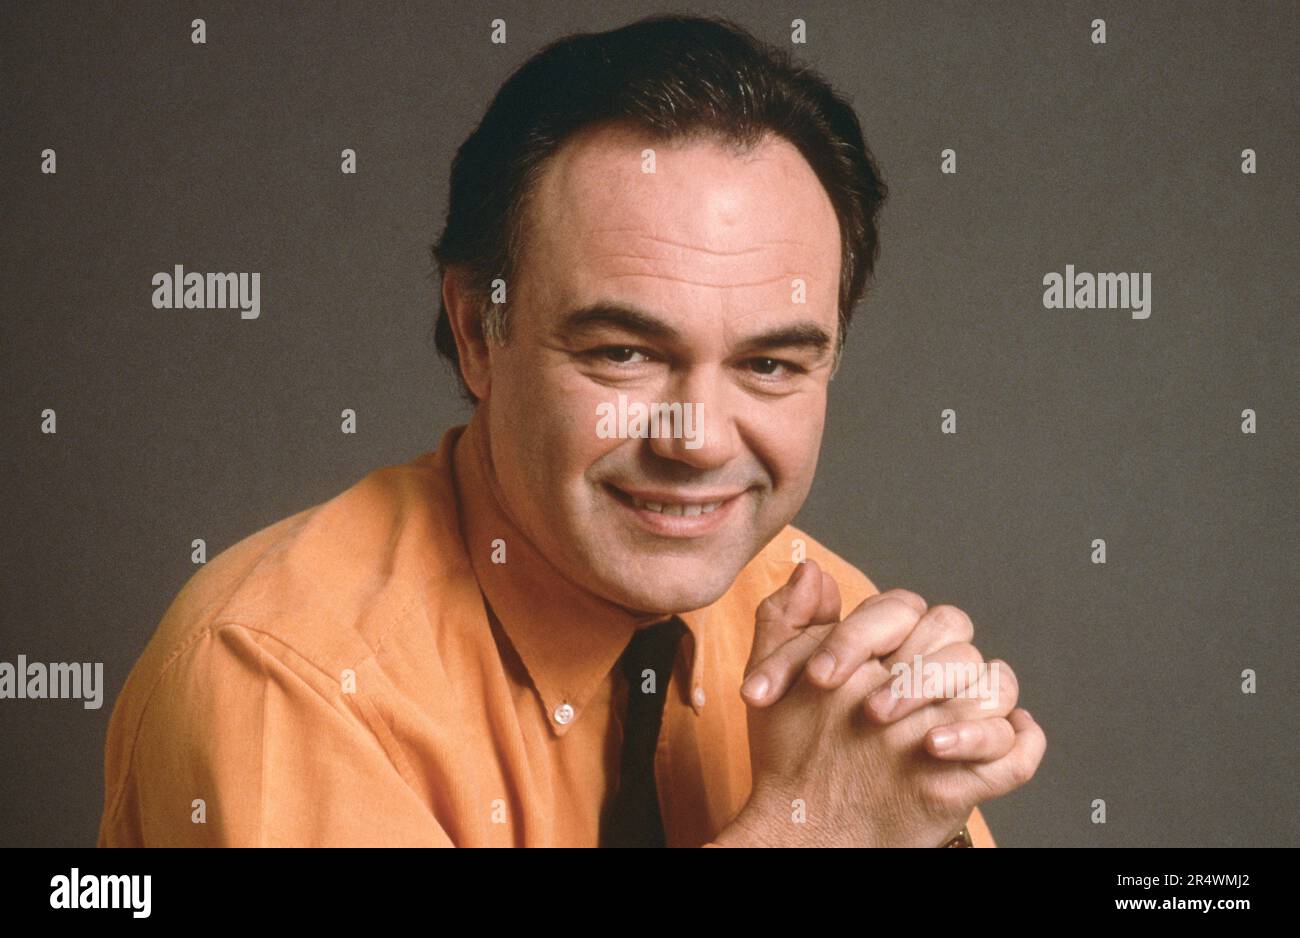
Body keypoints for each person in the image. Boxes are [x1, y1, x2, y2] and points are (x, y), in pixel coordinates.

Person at [98, 14, 1044, 848]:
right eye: (624, 352)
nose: (700, 442)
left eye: (769, 365)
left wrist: (922, 828)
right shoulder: (275, 677)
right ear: (479, 331)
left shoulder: (821, 627)